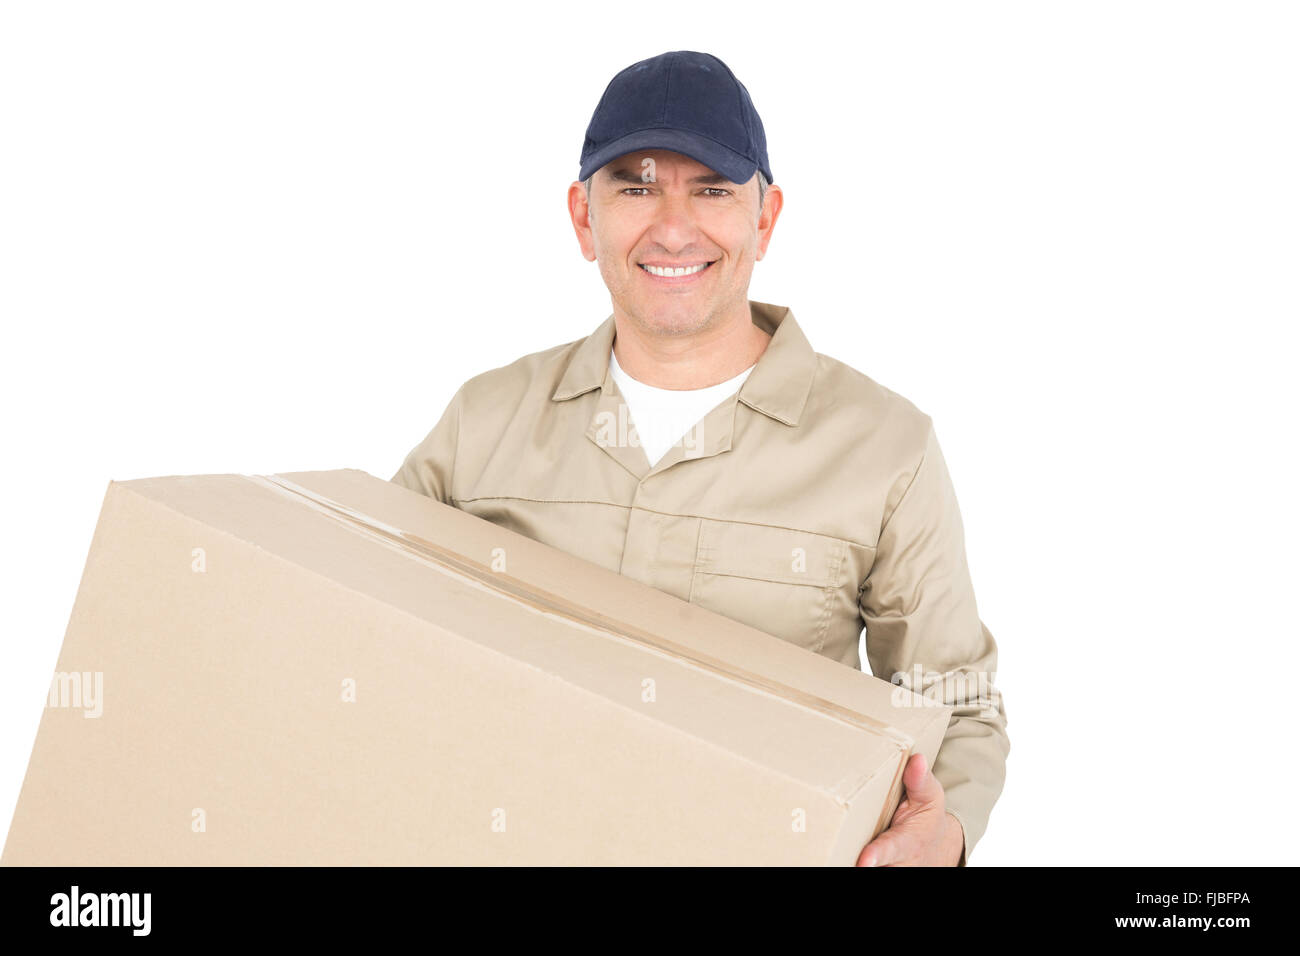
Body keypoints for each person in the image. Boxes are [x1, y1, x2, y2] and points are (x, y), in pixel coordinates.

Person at [392, 50, 1008, 866]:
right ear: (584, 217)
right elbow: (376, 623)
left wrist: (948, 828)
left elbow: (953, 701)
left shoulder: (883, 448)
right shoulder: (483, 424)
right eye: (636, 187)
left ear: (766, 217)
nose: (673, 227)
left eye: (712, 189)